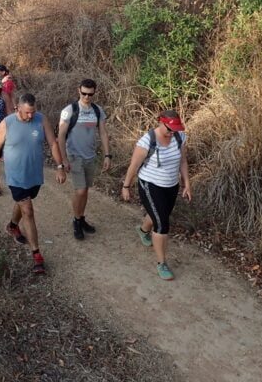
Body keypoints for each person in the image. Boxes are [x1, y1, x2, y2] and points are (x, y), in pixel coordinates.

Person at [0, 92, 67, 274]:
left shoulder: (41, 120)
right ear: (18, 108)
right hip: (15, 176)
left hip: (34, 176)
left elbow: (53, 144)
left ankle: (12, 226)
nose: (30, 116)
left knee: (24, 202)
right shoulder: (7, 124)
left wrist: (60, 166)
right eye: (26, 113)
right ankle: (37, 256)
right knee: (28, 211)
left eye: (32, 112)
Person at [120, 109, 192, 281]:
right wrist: (126, 186)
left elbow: (182, 161)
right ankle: (162, 263)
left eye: (175, 129)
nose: (171, 132)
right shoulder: (147, 141)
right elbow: (133, 166)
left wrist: (186, 184)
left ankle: (143, 229)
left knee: (160, 215)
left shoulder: (179, 137)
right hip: (150, 185)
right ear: (161, 122)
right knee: (162, 224)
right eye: (169, 129)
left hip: (171, 185)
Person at [57, 79, 111, 240]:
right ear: (78, 91)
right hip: (75, 156)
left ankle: (81, 218)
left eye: (90, 94)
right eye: (84, 93)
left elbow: (103, 133)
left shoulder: (97, 110)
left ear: (94, 93)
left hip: (90, 156)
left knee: (85, 190)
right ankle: (76, 220)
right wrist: (63, 160)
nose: (87, 97)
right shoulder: (70, 110)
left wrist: (107, 155)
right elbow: (60, 136)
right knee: (80, 191)